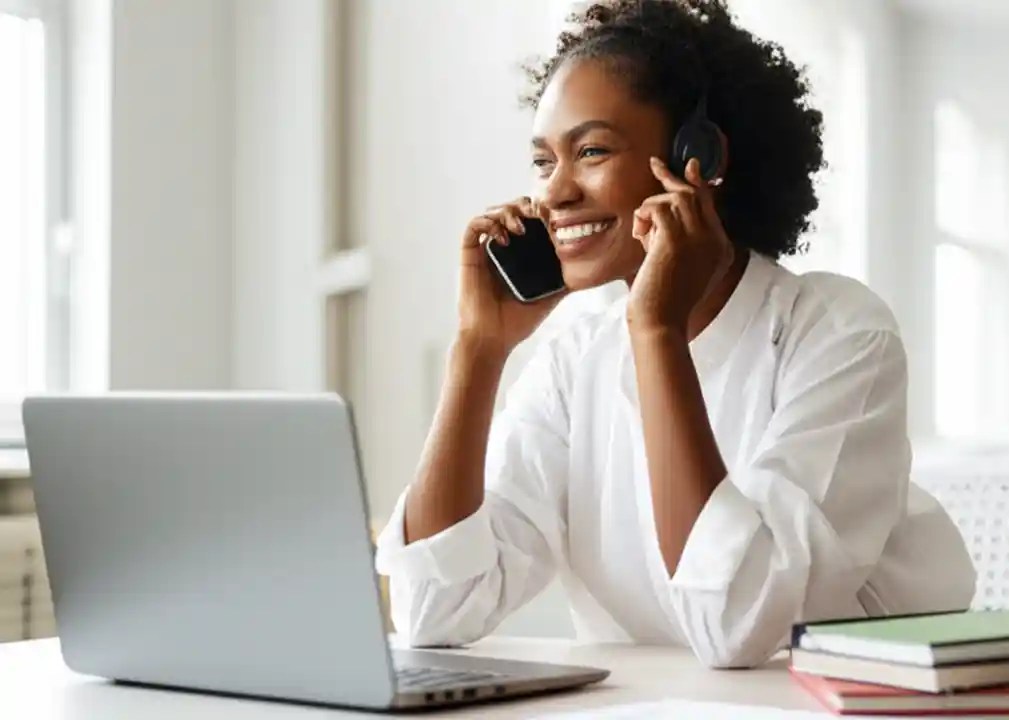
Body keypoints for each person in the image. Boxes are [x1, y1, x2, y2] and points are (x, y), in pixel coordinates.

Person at [375, 0, 975, 669]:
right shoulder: (577, 357)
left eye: (592, 150)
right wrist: (478, 352)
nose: (554, 194)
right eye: (544, 160)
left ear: (698, 160)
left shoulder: (838, 334)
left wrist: (656, 331)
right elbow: (431, 612)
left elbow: (735, 623)